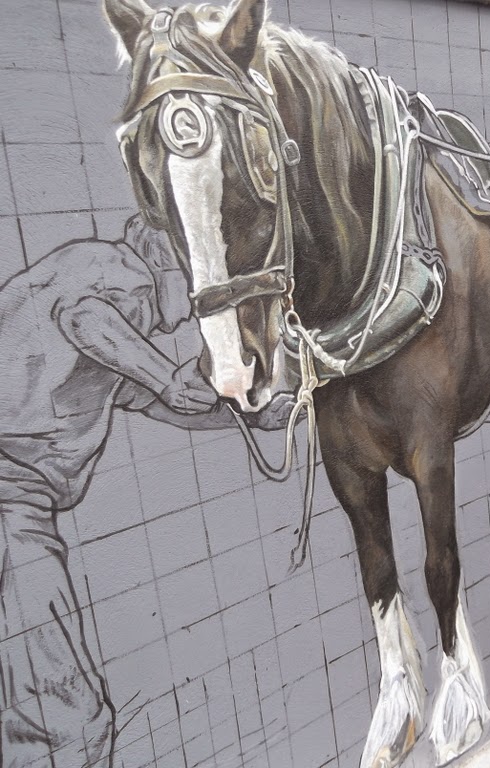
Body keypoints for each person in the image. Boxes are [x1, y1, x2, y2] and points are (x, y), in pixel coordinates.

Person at [0, 216, 288, 767]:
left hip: (19, 509)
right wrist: (164, 375)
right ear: (175, 266)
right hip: (12, 505)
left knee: (31, 715)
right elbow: (83, 318)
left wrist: (253, 419)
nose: (191, 315)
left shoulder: (93, 299)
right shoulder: (124, 276)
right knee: (69, 722)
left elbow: (159, 402)